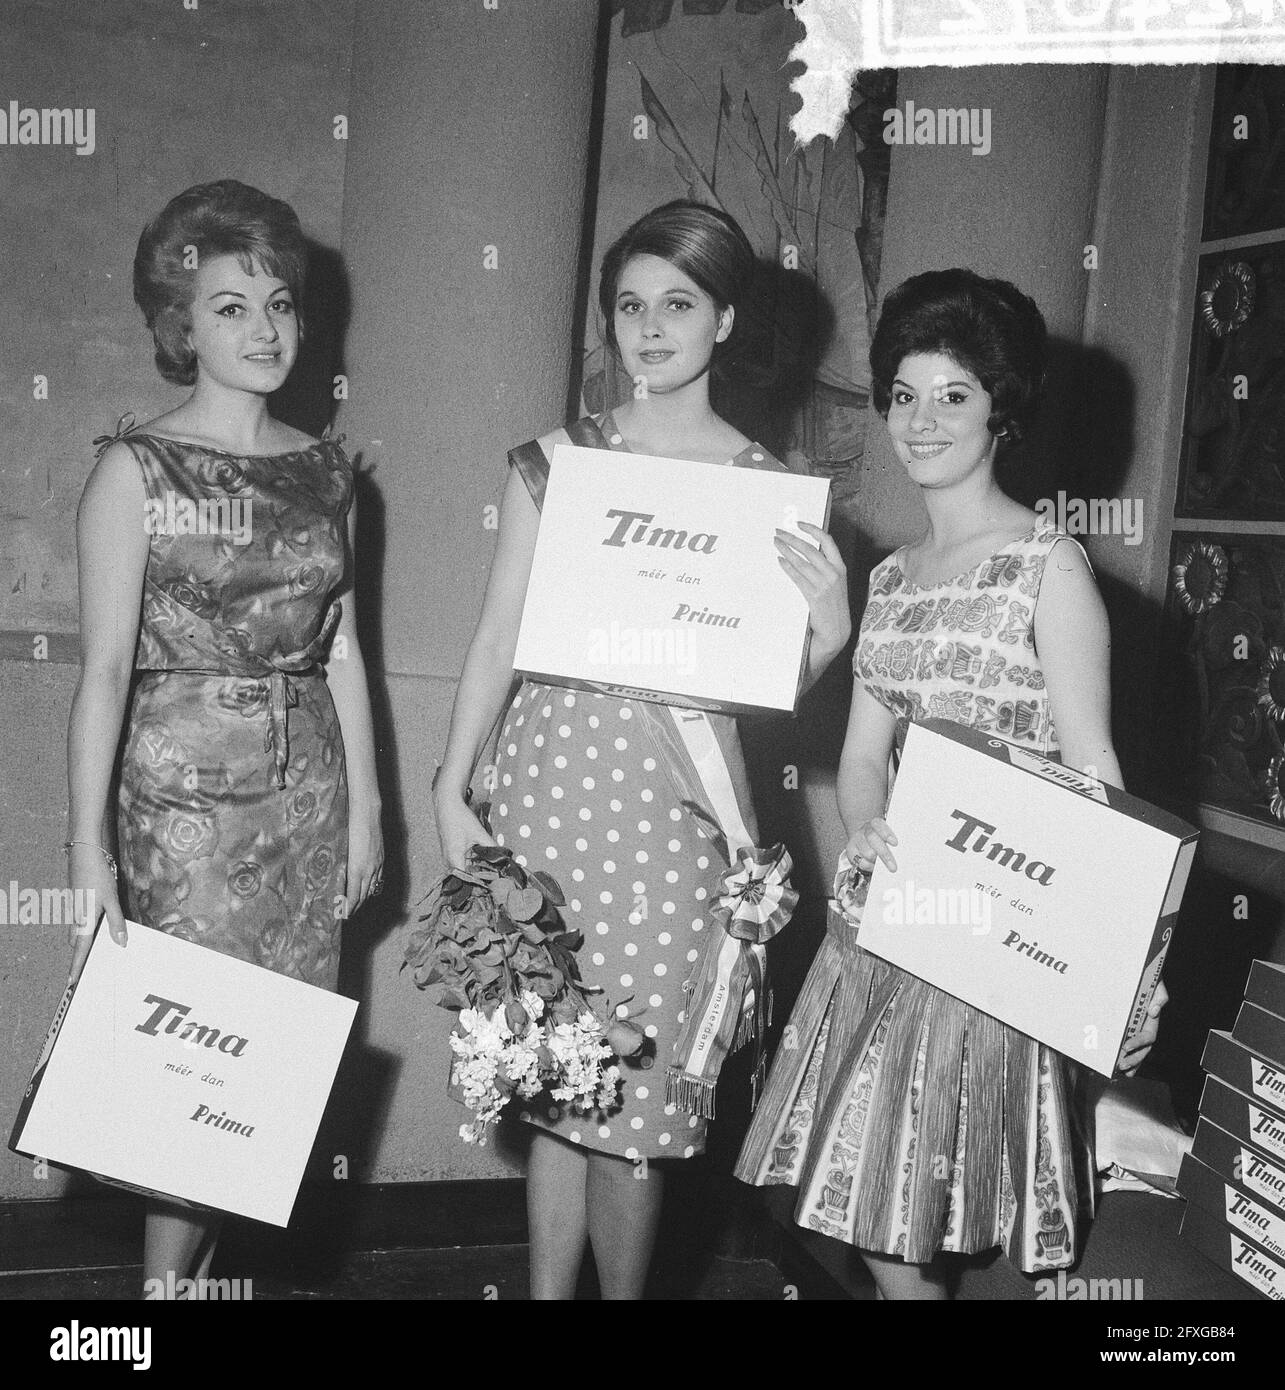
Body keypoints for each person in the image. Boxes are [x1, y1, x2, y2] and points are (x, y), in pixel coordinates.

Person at [434, 200, 850, 1299]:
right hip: (544, 802)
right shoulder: (555, 464)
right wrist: (448, 781)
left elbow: (751, 698)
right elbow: (494, 638)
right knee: (553, 1092)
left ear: (724, 321)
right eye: (630, 305)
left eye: (678, 304)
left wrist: (826, 639)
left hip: (675, 829)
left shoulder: (769, 491)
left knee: (636, 1105)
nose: (650, 329)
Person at [734, 268, 1167, 1299]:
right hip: (887, 931)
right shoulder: (888, 577)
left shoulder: (1045, 566)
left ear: (1000, 411)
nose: (921, 421)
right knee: (880, 1220)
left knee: (906, 1231)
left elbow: (1096, 773)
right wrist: (869, 842)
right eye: (903, 395)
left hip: (992, 940)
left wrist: (1122, 963)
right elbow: (860, 757)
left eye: (953, 395)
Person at [66, 179, 383, 1296]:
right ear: (179, 323)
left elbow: (344, 646)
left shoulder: (328, 470)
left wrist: (371, 809)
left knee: (262, 1085)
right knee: (186, 1071)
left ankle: (190, 1295)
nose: (264, 329)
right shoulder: (134, 468)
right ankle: (159, 1307)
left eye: (280, 305)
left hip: (305, 803)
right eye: (231, 306)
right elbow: (104, 669)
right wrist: (87, 854)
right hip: (181, 808)